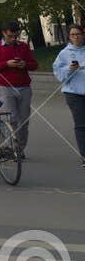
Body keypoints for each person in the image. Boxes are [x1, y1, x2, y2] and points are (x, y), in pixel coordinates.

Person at [0, 21, 37, 159]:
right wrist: (6, 64)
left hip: (24, 87)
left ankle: (19, 149)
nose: (13, 39)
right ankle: (8, 147)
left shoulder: (23, 47)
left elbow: (34, 65)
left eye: (15, 36)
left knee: (24, 121)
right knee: (12, 118)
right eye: (10, 36)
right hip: (6, 87)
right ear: (4, 33)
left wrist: (24, 64)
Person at [53, 24, 85, 169]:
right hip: (74, 93)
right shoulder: (64, 53)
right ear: (69, 37)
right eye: (72, 35)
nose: (76, 37)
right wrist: (69, 69)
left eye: (78, 34)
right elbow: (58, 74)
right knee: (81, 125)